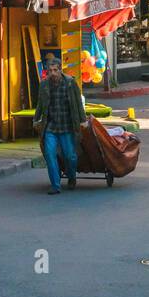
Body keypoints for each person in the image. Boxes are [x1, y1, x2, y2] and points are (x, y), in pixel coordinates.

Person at [33, 57, 88, 195]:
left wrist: (83, 120)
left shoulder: (70, 83)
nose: (53, 73)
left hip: (67, 126)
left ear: (60, 70)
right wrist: (36, 119)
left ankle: (72, 176)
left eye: (55, 70)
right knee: (50, 154)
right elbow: (40, 104)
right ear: (47, 71)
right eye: (50, 71)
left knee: (70, 156)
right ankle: (55, 185)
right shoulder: (44, 85)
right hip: (50, 127)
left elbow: (78, 103)